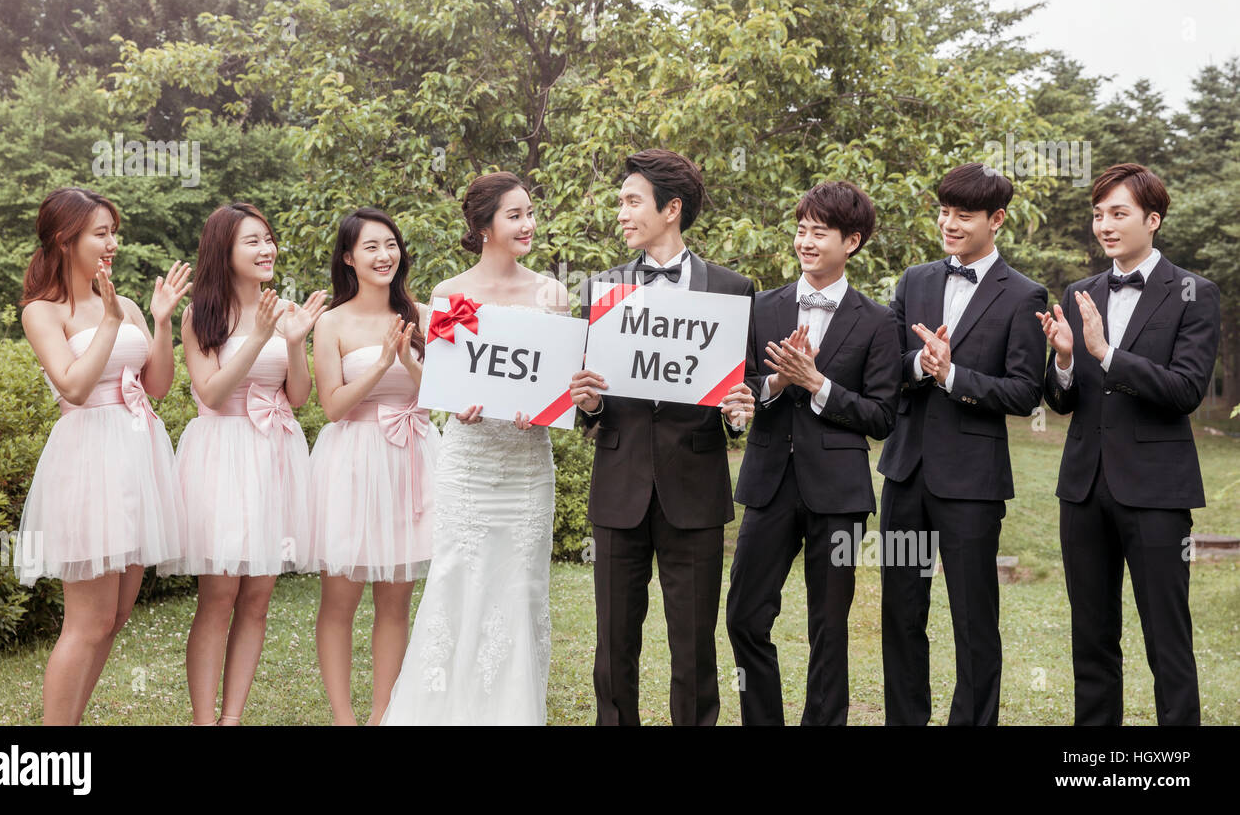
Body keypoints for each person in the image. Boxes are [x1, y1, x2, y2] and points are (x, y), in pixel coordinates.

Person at [568, 148, 756, 726]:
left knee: (695, 646)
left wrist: (737, 415)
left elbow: (737, 396)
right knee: (613, 644)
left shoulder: (733, 289)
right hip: (619, 484)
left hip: (695, 489)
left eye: (631, 201)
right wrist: (589, 404)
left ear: (671, 209)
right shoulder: (601, 289)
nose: (620, 213)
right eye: (620, 201)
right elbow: (587, 403)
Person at [381, 171, 568, 725]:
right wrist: (452, 398)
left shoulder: (551, 294)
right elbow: (443, 384)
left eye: (530, 212)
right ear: (484, 227)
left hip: (528, 463)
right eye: (515, 215)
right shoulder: (446, 295)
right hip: (467, 459)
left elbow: (555, 384)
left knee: (522, 592)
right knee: (455, 583)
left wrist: (544, 407)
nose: (528, 224)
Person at [1038, 163, 1218, 726]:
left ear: (1153, 219)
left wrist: (1108, 354)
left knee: (1167, 637)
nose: (1105, 226)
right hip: (1084, 488)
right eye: (1098, 215)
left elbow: (1186, 391)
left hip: (1157, 491)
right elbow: (1062, 400)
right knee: (1090, 637)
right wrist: (1066, 359)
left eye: (1119, 214)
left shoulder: (1195, 293)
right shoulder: (1080, 291)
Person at [725, 180, 901, 725]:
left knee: (830, 626)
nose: (805, 240)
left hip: (840, 493)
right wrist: (777, 383)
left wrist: (819, 384)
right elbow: (739, 390)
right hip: (768, 483)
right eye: (800, 229)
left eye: (819, 232)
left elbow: (882, 416)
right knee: (744, 617)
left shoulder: (878, 320)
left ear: (851, 241)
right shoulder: (759, 307)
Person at [877, 162, 1046, 726]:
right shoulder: (915, 280)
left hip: (972, 482)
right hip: (904, 473)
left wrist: (953, 376)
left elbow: (1025, 393)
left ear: (996, 220)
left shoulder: (1024, 295)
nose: (948, 224)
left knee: (974, 617)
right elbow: (886, 369)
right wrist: (922, 366)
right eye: (944, 211)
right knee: (901, 613)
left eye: (963, 215)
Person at [16, 186, 190, 724]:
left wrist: (159, 322)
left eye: (114, 231)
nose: (112, 242)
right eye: (101, 232)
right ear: (66, 239)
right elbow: (71, 385)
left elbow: (157, 385)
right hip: (89, 459)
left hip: (138, 457)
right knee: (86, 623)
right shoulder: (42, 311)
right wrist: (111, 323)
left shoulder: (128, 303)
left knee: (113, 618)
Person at [164, 203, 327, 725]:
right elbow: (210, 393)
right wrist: (258, 336)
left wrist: (295, 342)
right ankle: (203, 719)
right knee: (218, 596)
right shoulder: (200, 316)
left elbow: (299, 398)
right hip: (222, 453)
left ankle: (232, 718)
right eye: (252, 242)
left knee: (257, 598)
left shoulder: (286, 311)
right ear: (224, 252)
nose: (267, 250)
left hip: (274, 454)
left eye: (268, 239)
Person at [309, 208, 438, 725]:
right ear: (348, 258)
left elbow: (444, 395)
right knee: (339, 599)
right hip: (353, 461)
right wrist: (382, 365)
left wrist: (408, 360)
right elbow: (333, 406)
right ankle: (344, 717)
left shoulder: (423, 314)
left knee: (395, 601)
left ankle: (384, 712)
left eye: (391, 245)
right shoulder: (330, 323)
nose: (385, 256)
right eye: (371, 247)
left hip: (411, 458)